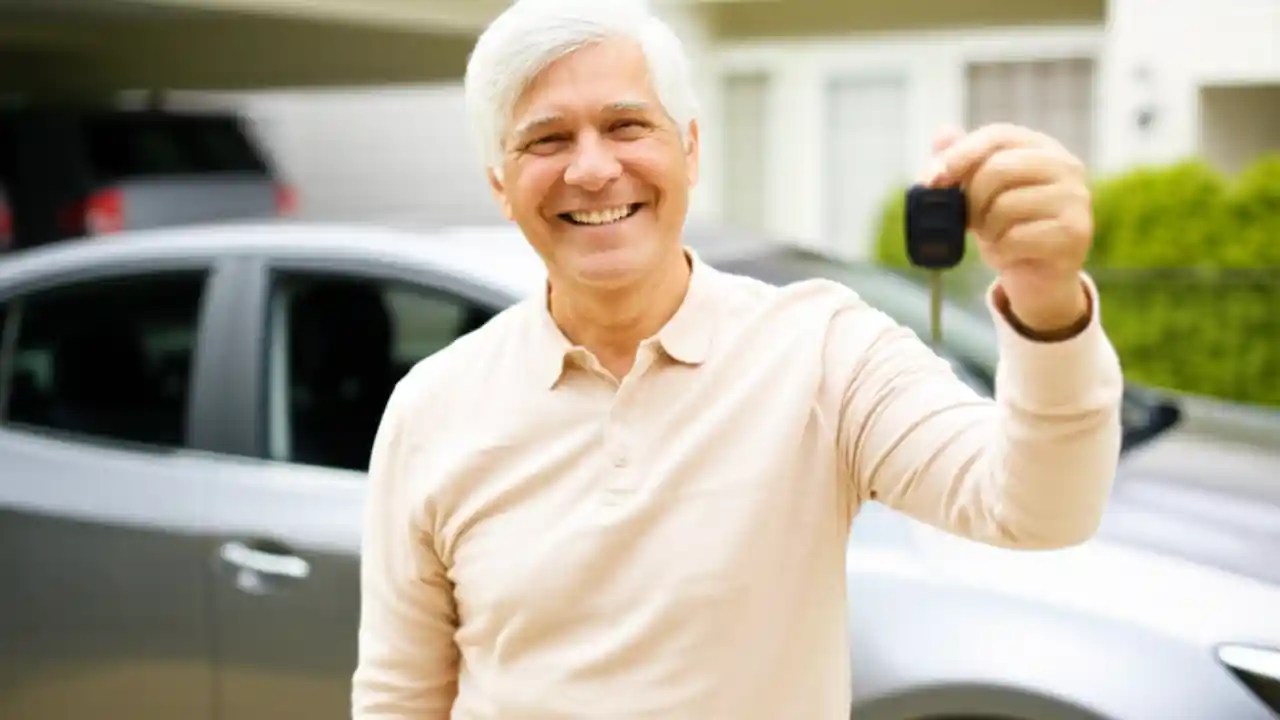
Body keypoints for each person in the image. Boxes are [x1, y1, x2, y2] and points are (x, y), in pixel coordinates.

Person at [351, 0, 1123, 717]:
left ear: (689, 149)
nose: (591, 169)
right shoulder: (433, 407)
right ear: (500, 183)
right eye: (547, 139)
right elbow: (399, 694)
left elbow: (1038, 511)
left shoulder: (823, 351)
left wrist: (1046, 302)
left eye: (626, 126)